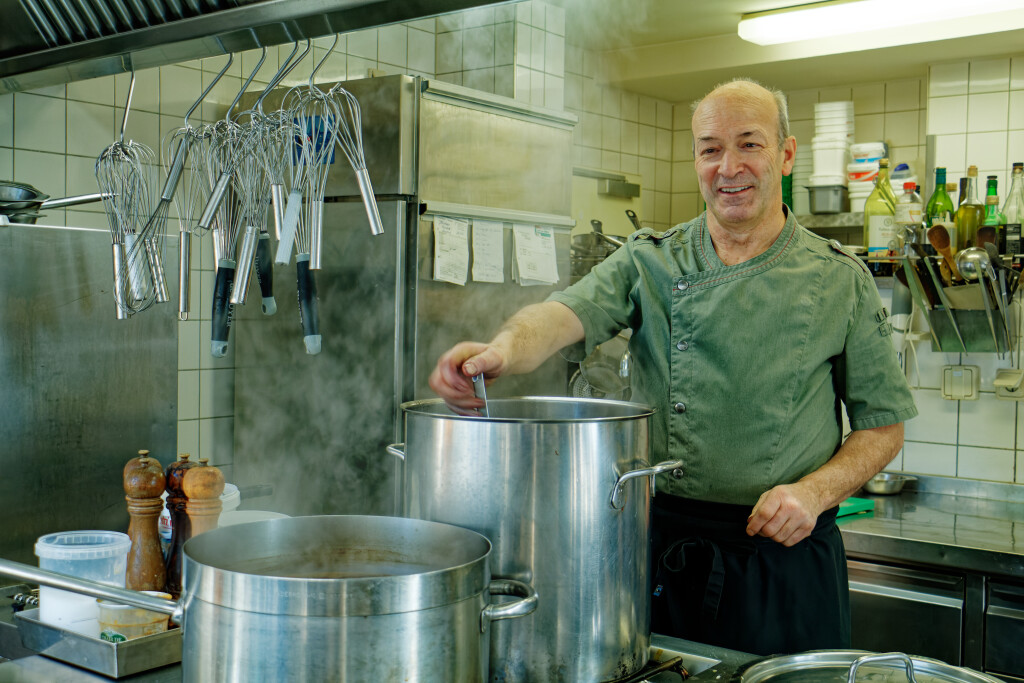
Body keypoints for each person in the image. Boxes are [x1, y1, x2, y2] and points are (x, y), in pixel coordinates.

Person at [429, 78, 917, 656]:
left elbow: (883, 426)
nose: (728, 166)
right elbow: (564, 312)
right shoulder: (651, 258)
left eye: (749, 145)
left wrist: (814, 492)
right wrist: (502, 351)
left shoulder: (841, 279)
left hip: (783, 558)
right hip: (659, 549)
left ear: (786, 155)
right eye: (710, 148)